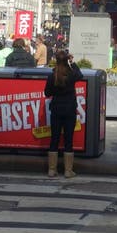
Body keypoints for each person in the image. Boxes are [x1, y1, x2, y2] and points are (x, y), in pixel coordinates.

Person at [44, 49, 83, 177]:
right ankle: (68, 170)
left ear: (56, 60)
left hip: (56, 109)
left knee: (54, 138)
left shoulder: (52, 75)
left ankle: (51, 169)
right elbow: (80, 75)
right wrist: (73, 62)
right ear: (66, 60)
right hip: (69, 109)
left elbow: (47, 93)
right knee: (68, 139)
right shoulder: (71, 74)